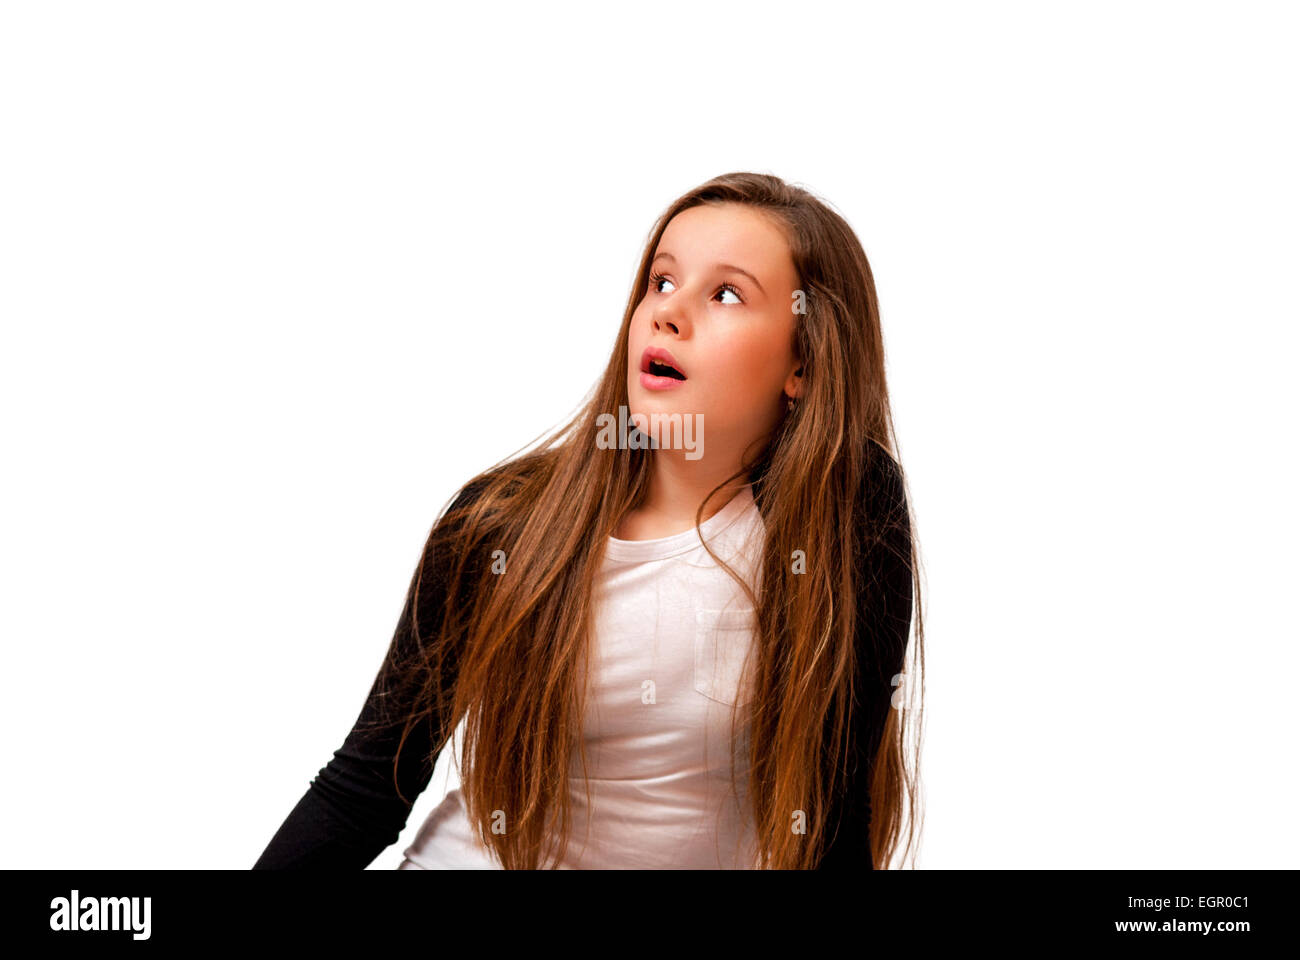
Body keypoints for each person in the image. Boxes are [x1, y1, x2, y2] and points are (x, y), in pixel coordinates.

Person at [253, 171, 925, 870]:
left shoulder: (852, 515)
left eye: (726, 294)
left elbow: (835, 824)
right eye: (661, 283)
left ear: (805, 363)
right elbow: (364, 792)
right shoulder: (502, 525)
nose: (668, 313)